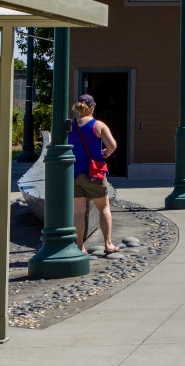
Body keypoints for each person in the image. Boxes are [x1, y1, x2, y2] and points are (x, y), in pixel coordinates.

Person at [68, 94, 119, 253]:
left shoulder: (70, 125)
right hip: (94, 174)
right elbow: (112, 145)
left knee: (78, 212)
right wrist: (106, 153)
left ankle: (79, 246)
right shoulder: (98, 125)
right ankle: (108, 244)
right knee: (103, 208)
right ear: (92, 107)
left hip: (74, 173)